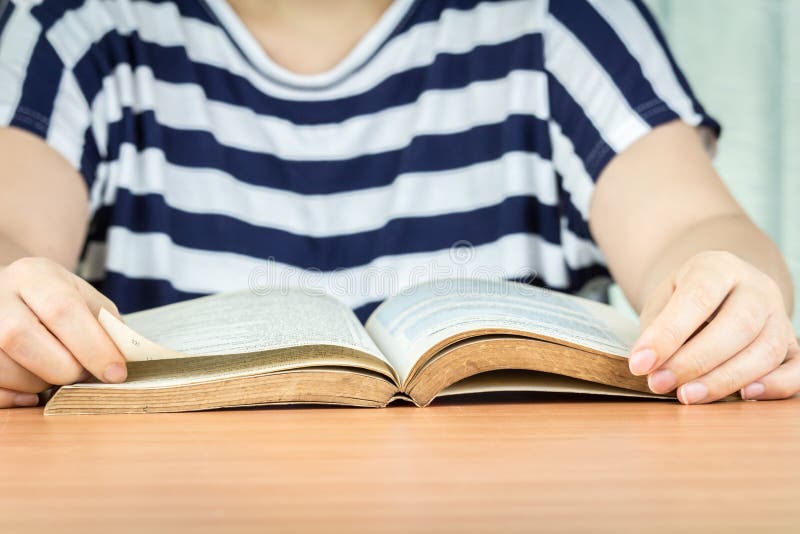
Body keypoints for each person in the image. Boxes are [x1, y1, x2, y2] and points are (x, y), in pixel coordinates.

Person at [0, 0, 796, 409]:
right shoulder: (78, 27)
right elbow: (10, 236)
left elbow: (695, 226)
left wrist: (726, 294)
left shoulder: (556, 21)